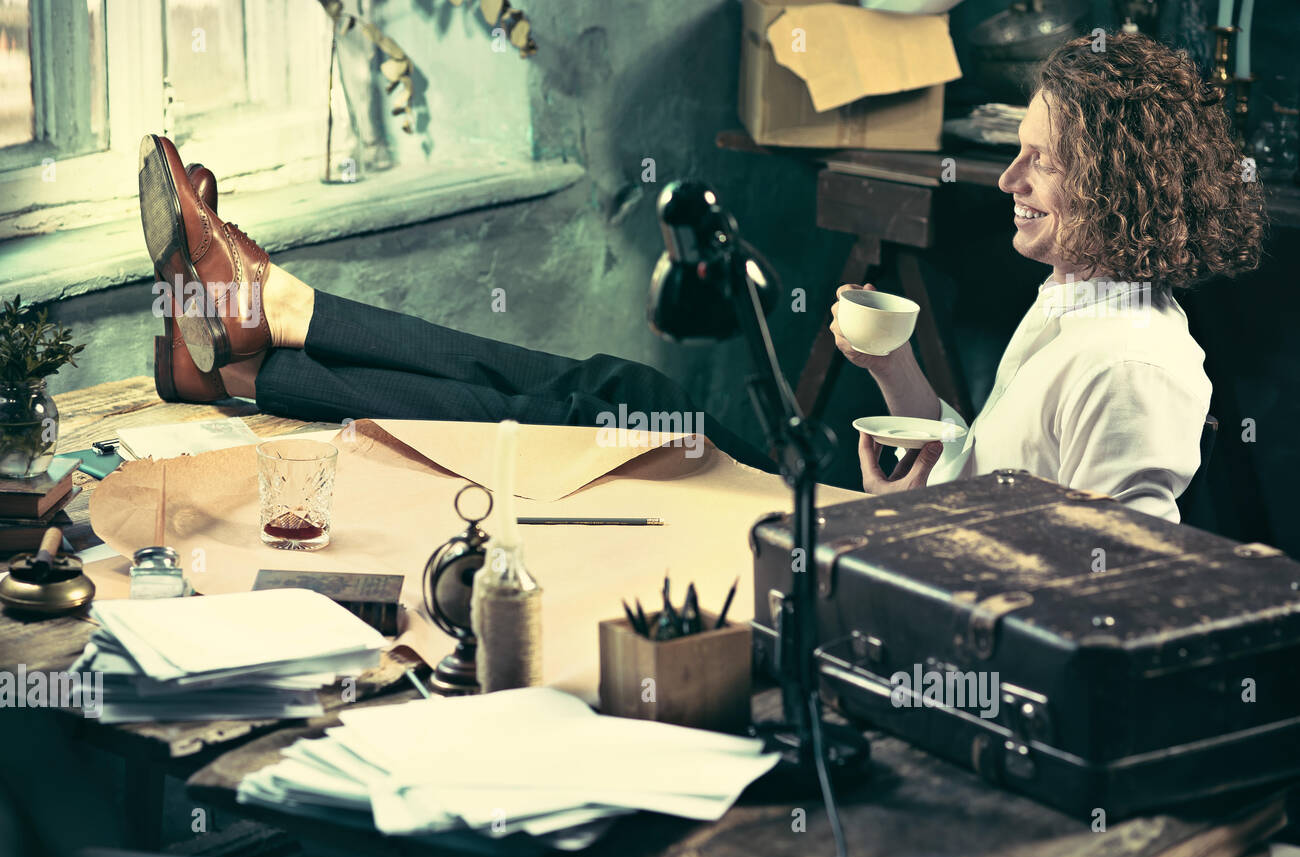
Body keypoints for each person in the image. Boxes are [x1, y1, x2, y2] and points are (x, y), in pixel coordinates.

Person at [138, 138, 775, 473]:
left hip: (802, 504)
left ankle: (251, 339)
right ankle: (253, 337)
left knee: (553, 420)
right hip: (799, 474)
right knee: (628, 385)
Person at [831, 32, 1265, 522]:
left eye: (1045, 160)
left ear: (1115, 182)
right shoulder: (1072, 294)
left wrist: (914, 522)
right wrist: (891, 361)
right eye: (1020, 151)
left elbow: (1107, 577)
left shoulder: (1129, 368)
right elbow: (971, 464)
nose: (1009, 180)